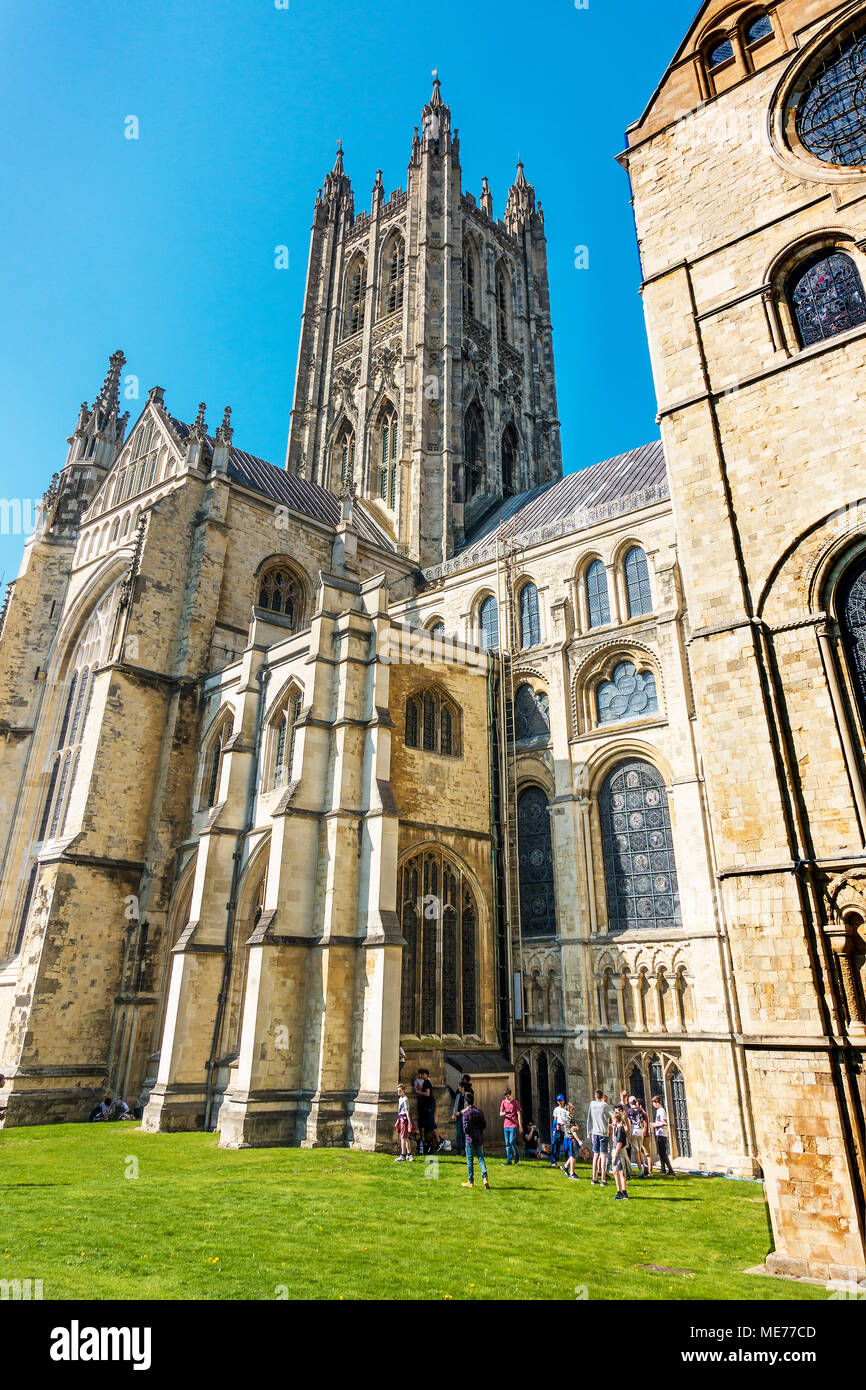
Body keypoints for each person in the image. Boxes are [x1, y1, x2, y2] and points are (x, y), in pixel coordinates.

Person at [461, 1090, 490, 1190]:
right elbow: (484, 1125)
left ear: (466, 1102)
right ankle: (485, 1178)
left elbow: (465, 1128)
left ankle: (470, 1181)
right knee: (481, 1158)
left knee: (470, 1160)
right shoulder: (479, 1112)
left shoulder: (466, 1113)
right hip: (479, 1138)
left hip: (470, 1139)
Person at [413, 1068, 447, 1155]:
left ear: (425, 1074)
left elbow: (427, 1094)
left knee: (431, 1122)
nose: (420, 1076)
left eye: (421, 1074)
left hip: (429, 1105)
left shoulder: (427, 1082)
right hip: (426, 1106)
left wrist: (418, 1092)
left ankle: (439, 1141)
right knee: (424, 1123)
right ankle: (425, 1142)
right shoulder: (425, 1082)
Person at [586, 1087, 612, 1186]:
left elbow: (590, 1118)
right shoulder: (604, 1105)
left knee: (595, 1156)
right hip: (603, 1133)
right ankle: (603, 1180)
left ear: (595, 1096)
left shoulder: (592, 1104)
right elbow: (612, 1115)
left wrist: (590, 1132)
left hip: (595, 1132)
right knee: (603, 1156)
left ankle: (594, 1178)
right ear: (602, 1096)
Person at [626, 1095, 652, 1176]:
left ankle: (640, 1170)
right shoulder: (640, 1111)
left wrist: (629, 1136)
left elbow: (629, 1124)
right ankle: (644, 1164)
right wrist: (644, 1132)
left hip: (633, 1133)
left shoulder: (629, 1111)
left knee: (636, 1152)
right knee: (640, 1150)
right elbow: (645, 1123)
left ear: (630, 1103)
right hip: (640, 1132)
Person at [610, 1106, 631, 1200]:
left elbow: (619, 1143)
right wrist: (614, 1128)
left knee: (616, 1172)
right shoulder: (619, 1128)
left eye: (612, 1120)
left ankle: (619, 1192)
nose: (611, 1122)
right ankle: (624, 1192)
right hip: (620, 1152)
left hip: (619, 1153)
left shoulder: (620, 1129)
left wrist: (614, 1156)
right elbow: (614, 1139)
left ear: (615, 1119)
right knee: (621, 1172)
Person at [652, 1094, 675, 1175]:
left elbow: (665, 1123)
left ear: (657, 1102)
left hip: (662, 1134)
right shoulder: (658, 1111)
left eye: (654, 1103)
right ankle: (663, 1169)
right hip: (659, 1133)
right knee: (661, 1153)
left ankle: (670, 1170)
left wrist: (655, 1125)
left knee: (663, 1153)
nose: (653, 1105)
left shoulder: (662, 1110)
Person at [500, 1087, 523, 1165]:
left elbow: (519, 1114)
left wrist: (520, 1126)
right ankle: (509, 1160)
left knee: (511, 1141)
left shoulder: (515, 1102)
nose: (507, 1098)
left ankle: (516, 1156)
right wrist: (505, 1113)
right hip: (506, 1125)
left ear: (510, 1094)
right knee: (507, 1143)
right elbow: (500, 1113)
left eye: (508, 1096)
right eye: (506, 1097)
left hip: (513, 1125)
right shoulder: (503, 1102)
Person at [559, 1102, 582, 1181]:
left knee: (572, 1154)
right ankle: (572, 1173)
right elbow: (573, 1130)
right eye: (573, 1109)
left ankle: (565, 1167)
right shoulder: (570, 1118)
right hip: (571, 1138)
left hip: (567, 1137)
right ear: (569, 1109)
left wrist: (576, 1128)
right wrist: (578, 1140)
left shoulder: (567, 1117)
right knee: (573, 1156)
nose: (574, 1110)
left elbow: (577, 1127)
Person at [451, 1075, 471, 1156]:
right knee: (459, 1134)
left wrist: (460, 1113)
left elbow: (468, 1107)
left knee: (465, 1134)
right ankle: (459, 1151)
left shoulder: (468, 1095)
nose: (458, 1088)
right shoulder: (458, 1095)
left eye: (459, 1087)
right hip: (458, 1117)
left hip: (465, 1117)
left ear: (462, 1087)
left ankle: (467, 1151)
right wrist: (454, 1114)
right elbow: (455, 1105)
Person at [395, 1083, 414, 1161]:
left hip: (405, 1119)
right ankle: (409, 1155)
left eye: (400, 1090)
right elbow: (399, 1111)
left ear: (403, 1091)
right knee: (405, 1137)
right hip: (401, 1118)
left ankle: (403, 1155)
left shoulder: (405, 1099)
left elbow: (407, 1111)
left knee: (403, 1137)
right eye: (397, 1091)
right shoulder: (400, 1099)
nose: (398, 1092)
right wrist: (397, 1120)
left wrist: (409, 1123)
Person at [550, 1094, 569, 1167]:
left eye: (561, 1100)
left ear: (564, 1101)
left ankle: (567, 1161)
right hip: (558, 1128)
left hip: (564, 1128)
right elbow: (555, 1119)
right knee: (555, 1144)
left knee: (566, 1145)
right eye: (559, 1101)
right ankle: (553, 1161)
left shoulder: (566, 1109)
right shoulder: (556, 1109)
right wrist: (556, 1126)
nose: (560, 1102)